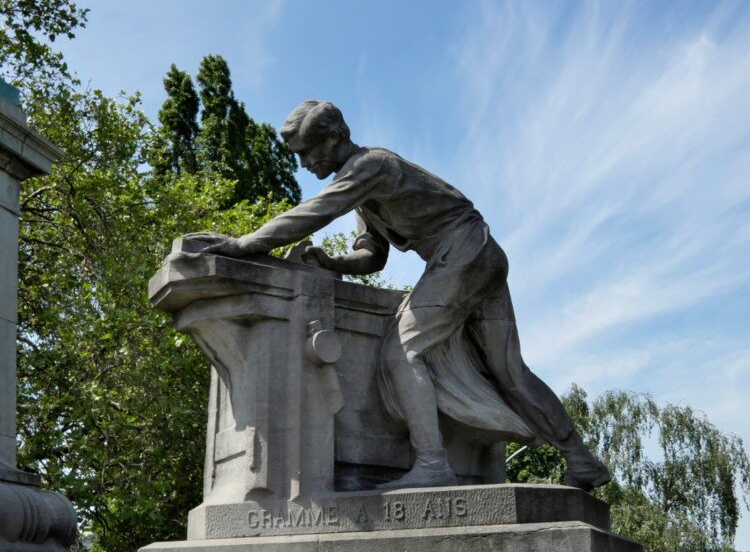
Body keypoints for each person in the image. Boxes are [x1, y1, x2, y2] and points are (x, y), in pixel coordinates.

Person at [189, 100, 610, 491]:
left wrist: (248, 245)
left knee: (402, 352)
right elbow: (372, 256)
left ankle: (432, 464)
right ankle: (581, 460)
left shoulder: (371, 165)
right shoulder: (361, 185)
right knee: (509, 372)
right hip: (478, 254)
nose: (304, 162)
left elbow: (316, 212)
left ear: (334, 137)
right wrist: (333, 262)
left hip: (463, 252)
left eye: (308, 151)